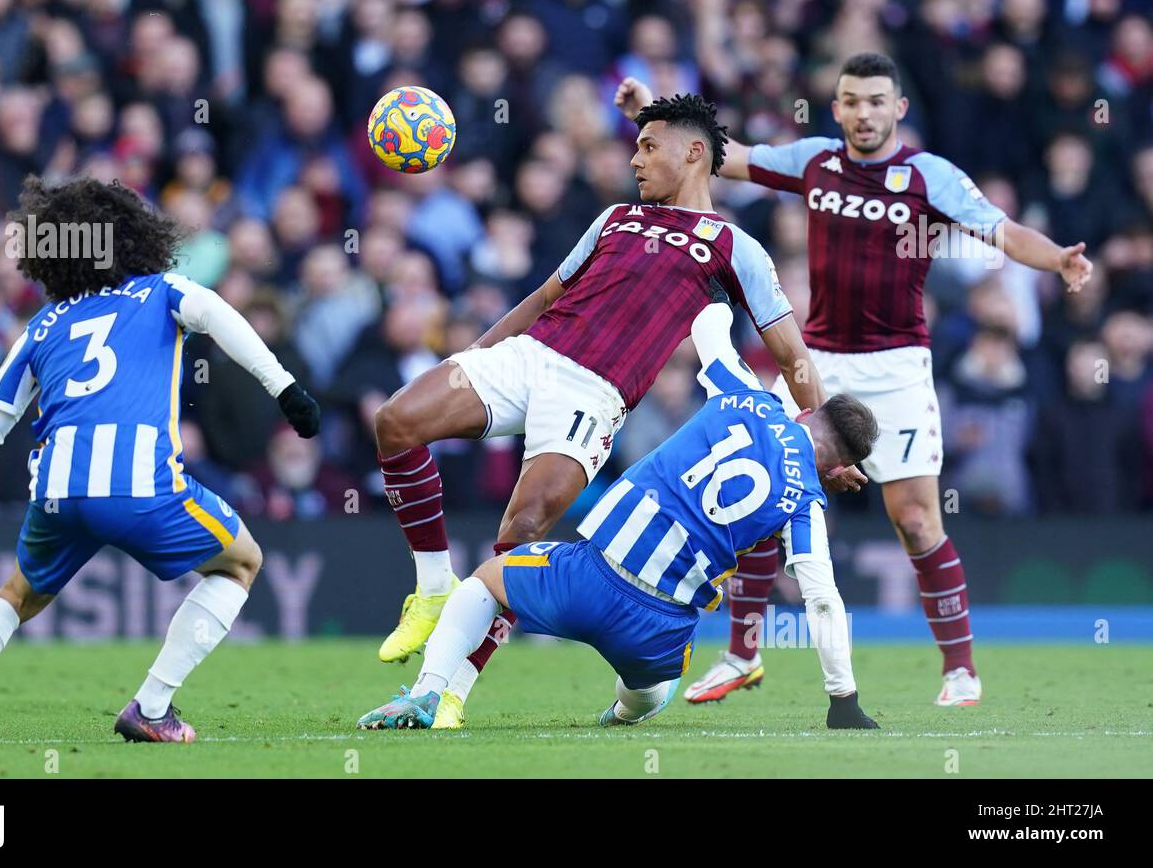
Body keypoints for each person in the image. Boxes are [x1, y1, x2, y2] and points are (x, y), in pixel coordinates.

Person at [617, 52, 1093, 707]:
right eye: (850, 101)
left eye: (875, 101)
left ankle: (960, 670)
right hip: (818, 363)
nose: (862, 113)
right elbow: (723, 156)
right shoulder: (815, 161)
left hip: (898, 369)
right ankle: (741, 656)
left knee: (918, 521)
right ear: (835, 107)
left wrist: (1058, 259)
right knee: (760, 502)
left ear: (898, 108)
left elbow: (1003, 233)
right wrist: (651, 115)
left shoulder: (929, 176)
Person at [372, 92, 867, 692]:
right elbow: (546, 298)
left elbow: (794, 358)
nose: (634, 159)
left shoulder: (735, 247)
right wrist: (475, 354)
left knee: (522, 528)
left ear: (692, 152)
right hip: (528, 356)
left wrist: (820, 443)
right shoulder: (614, 218)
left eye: (647, 145)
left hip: (593, 393)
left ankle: (452, 691)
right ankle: (430, 589)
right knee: (396, 420)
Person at [0, 177, 321, 745]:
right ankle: (151, 707)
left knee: (16, 595)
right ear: (134, 236)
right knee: (241, 563)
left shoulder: (42, 326)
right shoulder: (161, 289)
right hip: (139, 487)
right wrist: (285, 388)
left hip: (56, 490)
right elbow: (217, 314)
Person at [357, 298, 879, 731]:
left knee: (481, 584)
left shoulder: (745, 396)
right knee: (652, 696)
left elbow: (708, 324)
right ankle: (621, 714)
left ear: (810, 412)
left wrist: (739, 291)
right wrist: (843, 699)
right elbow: (824, 601)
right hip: (663, 628)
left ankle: (429, 693)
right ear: (840, 468)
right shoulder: (807, 501)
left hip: (592, 577)